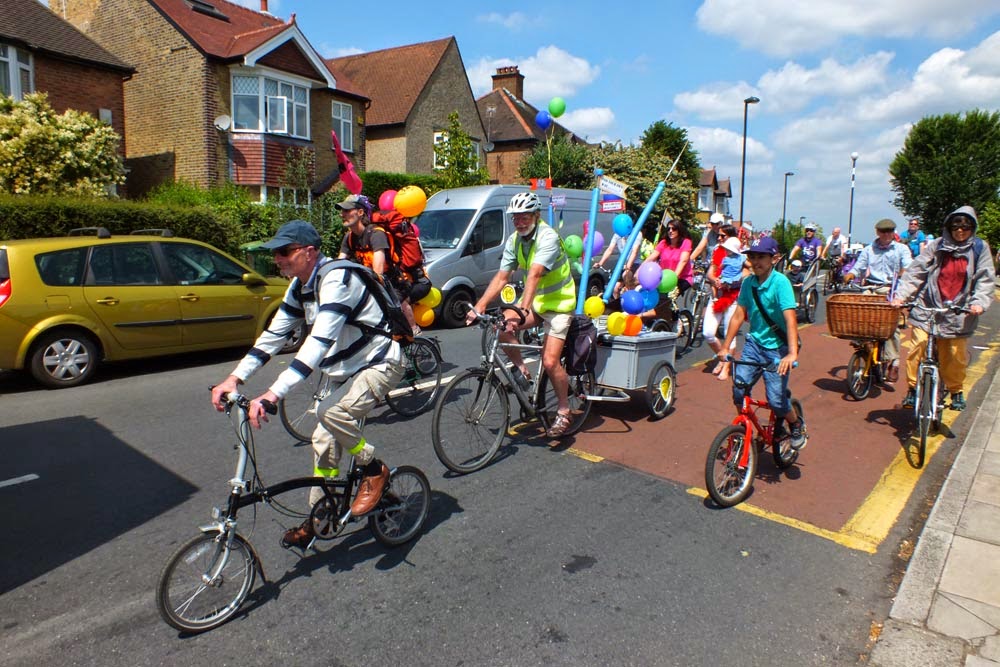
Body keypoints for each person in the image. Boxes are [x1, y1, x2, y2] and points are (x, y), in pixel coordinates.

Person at [211, 219, 405, 549]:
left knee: (330, 412)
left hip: (379, 362)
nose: (277, 259)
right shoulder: (300, 286)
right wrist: (234, 378)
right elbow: (274, 336)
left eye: (284, 252)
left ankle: (374, 468)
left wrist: (273, 394)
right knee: (322, 440)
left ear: (310, 252)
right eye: (275, 253)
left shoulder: (337, 280)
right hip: (343, 370)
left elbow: (318, 341)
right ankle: (322, 512)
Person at [467, 191, 577, 438]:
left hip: (559, 305)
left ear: (536, 215)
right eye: (516, 217)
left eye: (525, 216)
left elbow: (534, 275)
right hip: (538, 303)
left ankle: (563, 410)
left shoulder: (547, 237)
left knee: (550, 362)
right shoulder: (515, 241)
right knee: (501, 326)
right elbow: (502, 276)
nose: (520, 221)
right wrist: (480, 306)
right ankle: (521, 370)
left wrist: (523, 308)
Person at [893, 206, 995, 411]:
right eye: (955, 226)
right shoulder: (937, 245)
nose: (960, 231)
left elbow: (985, 278)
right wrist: (901, 296)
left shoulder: (979, 247)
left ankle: (956, 391)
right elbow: (916, 271)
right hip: (927, 305)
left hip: (959, 309)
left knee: (955, 353)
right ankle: (912, 390)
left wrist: (979, 303)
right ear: (948, 227)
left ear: (972, 228)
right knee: (917, 346)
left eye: (965, 227)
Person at [717, 236, 806, 449]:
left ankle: (795, 424)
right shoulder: (748, 283)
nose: (756, 262)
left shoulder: (781, 283)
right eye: (753, 257)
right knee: (739, 389)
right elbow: (739, 315)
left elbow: (790, 319)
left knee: (775, 400)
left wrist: (792, 354)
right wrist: (725, 346)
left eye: (761, 257)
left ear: (773, 259)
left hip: (778, 349)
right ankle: (746, 429)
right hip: (754, 345)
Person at [337, 194, 426, 334]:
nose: (342, 214)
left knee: (398, 306)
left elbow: (378, 271)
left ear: (360, 213)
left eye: (347, 210)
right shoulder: (349, 238)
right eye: (342, 211)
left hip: (392, 281)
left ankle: (415, 334)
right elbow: (340, 264)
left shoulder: (376, 234)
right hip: (370, 281)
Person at [843, 218, 913, 383]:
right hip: (872, 286)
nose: (887, 234)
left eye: (890, 231)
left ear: (894, 232)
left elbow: (909, 265)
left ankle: (894, 362)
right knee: (860, 309)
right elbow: (858, 266)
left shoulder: (901, 249)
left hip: (891, 288)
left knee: (891, 326)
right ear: (877, 232)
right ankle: (862, 340)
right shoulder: (869, 250)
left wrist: (904, 272)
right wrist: (851, 274)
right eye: (883, 231)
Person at [704, 234, 749, 381]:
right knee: (708, 333)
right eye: (719, 236)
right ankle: (723, 358)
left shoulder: (741, 258)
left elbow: (748, 273)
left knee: (730, 333)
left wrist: (734, 279)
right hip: (717, 295)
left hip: (734, 297)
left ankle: (726, 366)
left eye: (722, 236)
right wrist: (715, 279)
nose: (719, 238)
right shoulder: (718, 253)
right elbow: (711, 272)